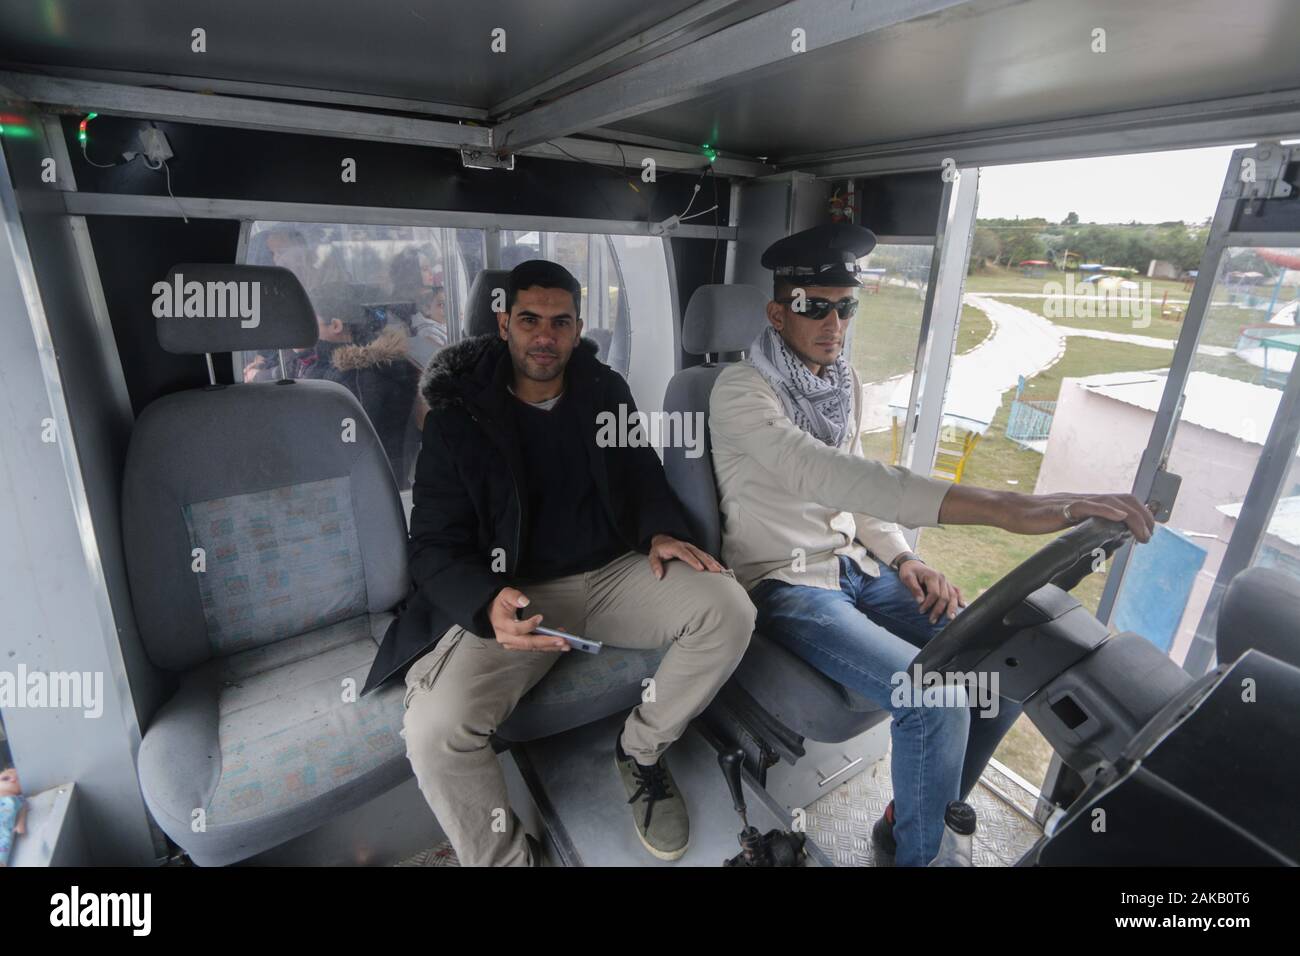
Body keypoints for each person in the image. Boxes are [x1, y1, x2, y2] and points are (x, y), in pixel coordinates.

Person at [709, 223, 1156, 867]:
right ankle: (927, 858)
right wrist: (1006, 507)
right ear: (778, 312)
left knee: (1003, 667)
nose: (833, 322)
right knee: (935, 699)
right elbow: (825, 473)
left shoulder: (841, 384)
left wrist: (905, 557)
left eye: (846, 306)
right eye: (814, 306)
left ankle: (910, 818)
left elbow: (857, 498)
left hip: (857, 567)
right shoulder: (738, 391)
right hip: (788, 581)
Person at [361, 260, 754, 865]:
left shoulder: (604, 391)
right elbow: (434, 544)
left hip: (616, 575)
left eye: (560, 322)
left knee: (729, 607)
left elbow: (642, 473)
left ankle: (641, 750)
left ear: (577, 329)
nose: (544, 337)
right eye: (529, 320)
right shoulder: (456, 416)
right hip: (515, 594)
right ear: (504, 324)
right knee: (435, 729)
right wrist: (484, 604)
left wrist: (659, 531)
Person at [299, 282, 420, 484]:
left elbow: (341, 451)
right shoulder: (338, 367)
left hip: (367, 487)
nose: (304, 330)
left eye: (311, 322)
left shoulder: (357, 378)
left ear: (336, 325)